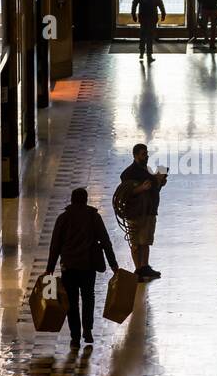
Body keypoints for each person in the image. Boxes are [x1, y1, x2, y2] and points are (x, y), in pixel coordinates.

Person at [46, 187, 119, 347]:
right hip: (88, 266)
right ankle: (88, 329)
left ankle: (75, 337)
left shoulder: (63, 219)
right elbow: (106, 242)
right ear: (86, 200)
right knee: (88, 298)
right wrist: (114, 265)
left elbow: (55, 245)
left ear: (72, 200)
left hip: (69, 267)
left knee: (71, 302)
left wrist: (50, 268)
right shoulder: (93, 217)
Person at [119, 142, 168, 281]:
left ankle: (145, 266)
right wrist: (140, 189)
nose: (146, 156)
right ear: (135, 156)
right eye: (143, 154)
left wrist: (160, 183)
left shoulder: (147, 170)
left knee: (145, 241)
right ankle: (138, 269)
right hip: (135, 212)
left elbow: (152, 189)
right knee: (135, 242)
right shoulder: (128, 173)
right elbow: (125, 192)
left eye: (146, 153)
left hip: (149, 210)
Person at [131, 0, 166, 64]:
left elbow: (134, 3)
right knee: (150, 36)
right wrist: (163, 14)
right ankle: (149, 55)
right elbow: (160, 3)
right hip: (152, 16)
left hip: (143, 15)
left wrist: (133, 15)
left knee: (143, 34)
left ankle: (141, 52)